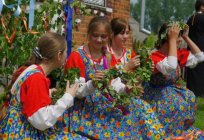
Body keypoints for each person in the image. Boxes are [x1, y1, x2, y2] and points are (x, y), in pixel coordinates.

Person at [65, 16, 165, 139]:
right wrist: (92, 84)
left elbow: (112, 83)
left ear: (109, 36)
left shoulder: (106, 56)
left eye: (103, 36)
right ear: (88, 35)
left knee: (137, 108)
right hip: (84, 108)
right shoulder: (77, 56)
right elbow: (76, 91)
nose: (99, 39)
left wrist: (126, 89)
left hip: (105, 101)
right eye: (95, 35)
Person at [0, 32, 87, 139]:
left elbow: (26, 97)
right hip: (22, 133)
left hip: (15, 128)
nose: (66, 56)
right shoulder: (37, 78)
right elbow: (41, 120)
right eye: (65, 52)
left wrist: (48, 93)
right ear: (59, 55)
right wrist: (67, 97)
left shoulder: (32, 69)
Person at [142, 22, 204, 138]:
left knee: (187, 97)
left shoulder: (177, 55)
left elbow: (200, 56)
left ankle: (179, 131)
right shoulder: (154, 56)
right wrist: (172, 40)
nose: (180, 40)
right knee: (173, 103)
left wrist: (186, 37)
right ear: (168, 37)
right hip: (156, 96)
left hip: (171, 93)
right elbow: (170, 67)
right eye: (178, 37)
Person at [186, 0, 204, 97]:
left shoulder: (190, 18)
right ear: (202, 7)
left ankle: (193, 92)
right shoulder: (202, 17)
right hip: (201, 48)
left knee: (193, 71)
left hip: (191, 48)